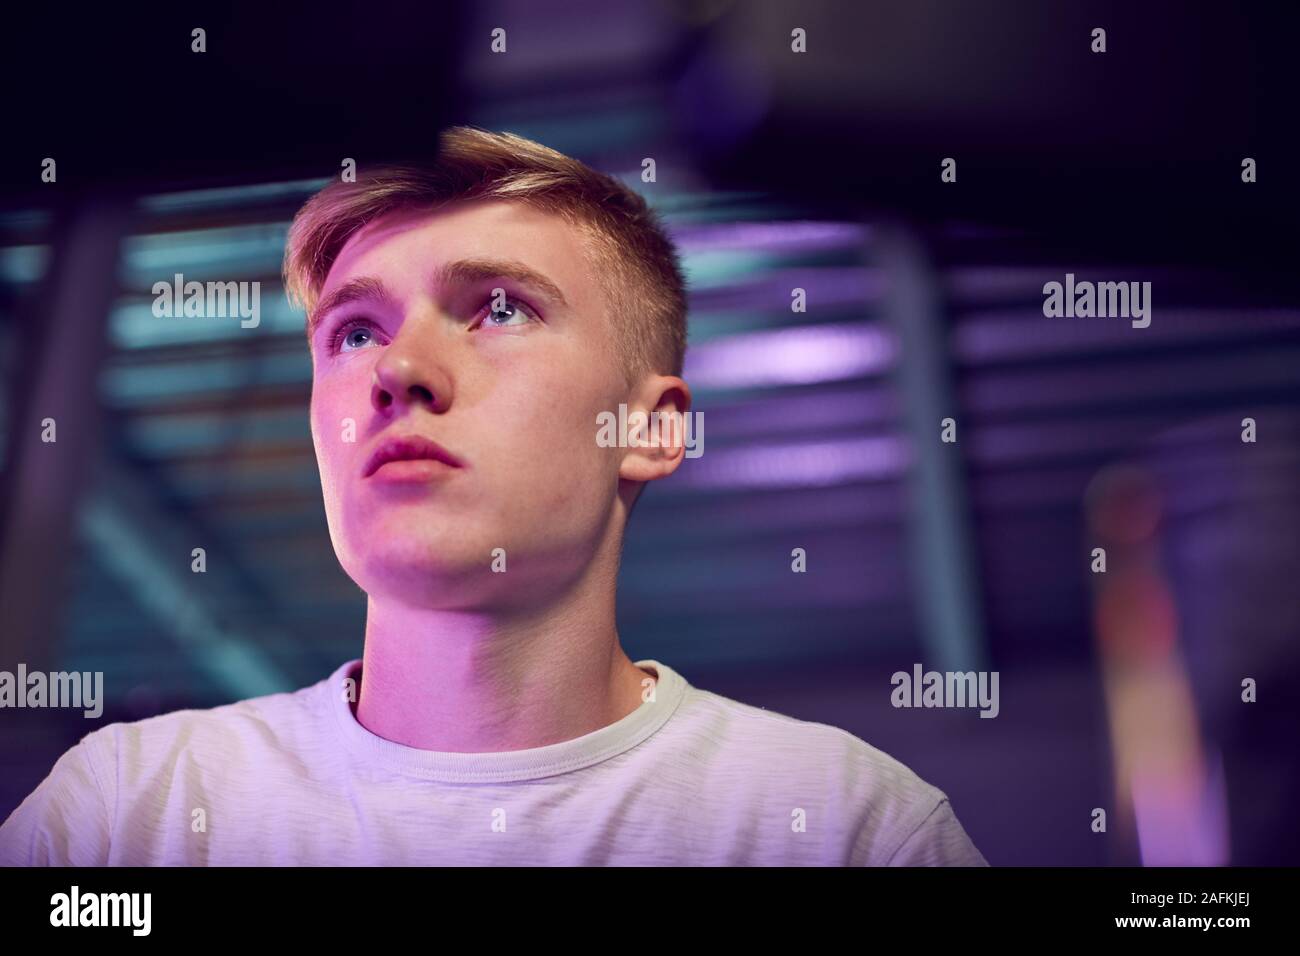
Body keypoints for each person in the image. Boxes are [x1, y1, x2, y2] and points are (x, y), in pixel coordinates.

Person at [0, 127, 986, 866]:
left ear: (648, 427)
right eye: (352, 331)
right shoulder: (130, 815)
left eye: (497, 307)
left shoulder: (843, 827)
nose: (399, 369)